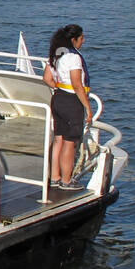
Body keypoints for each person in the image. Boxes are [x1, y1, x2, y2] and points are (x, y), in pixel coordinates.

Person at [43, 24, 92, 191]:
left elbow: (47, 78)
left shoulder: (56, 54)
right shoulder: (73, 58)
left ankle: (54, 177)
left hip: (58, 98)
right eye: (82, 38)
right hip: (71, 101)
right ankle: (66, 180)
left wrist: (59, 87)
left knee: (58, 139)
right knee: (70, 142)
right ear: (74, 39)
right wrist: (88, 107)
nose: (83, 41)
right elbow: (77, 84)